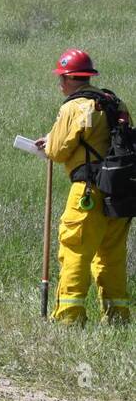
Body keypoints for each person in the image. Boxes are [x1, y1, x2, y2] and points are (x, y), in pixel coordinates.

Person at [36, 49, 133, 325]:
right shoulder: (115, 103)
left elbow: (56, 151)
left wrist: (49, 141)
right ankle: (117, 318)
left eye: (61, 79)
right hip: (120, 193)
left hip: (88, 191)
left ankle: (69, 318)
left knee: (75, 250)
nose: (60, 84)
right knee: (111, 256)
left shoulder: (73, 107)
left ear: (68, 78)